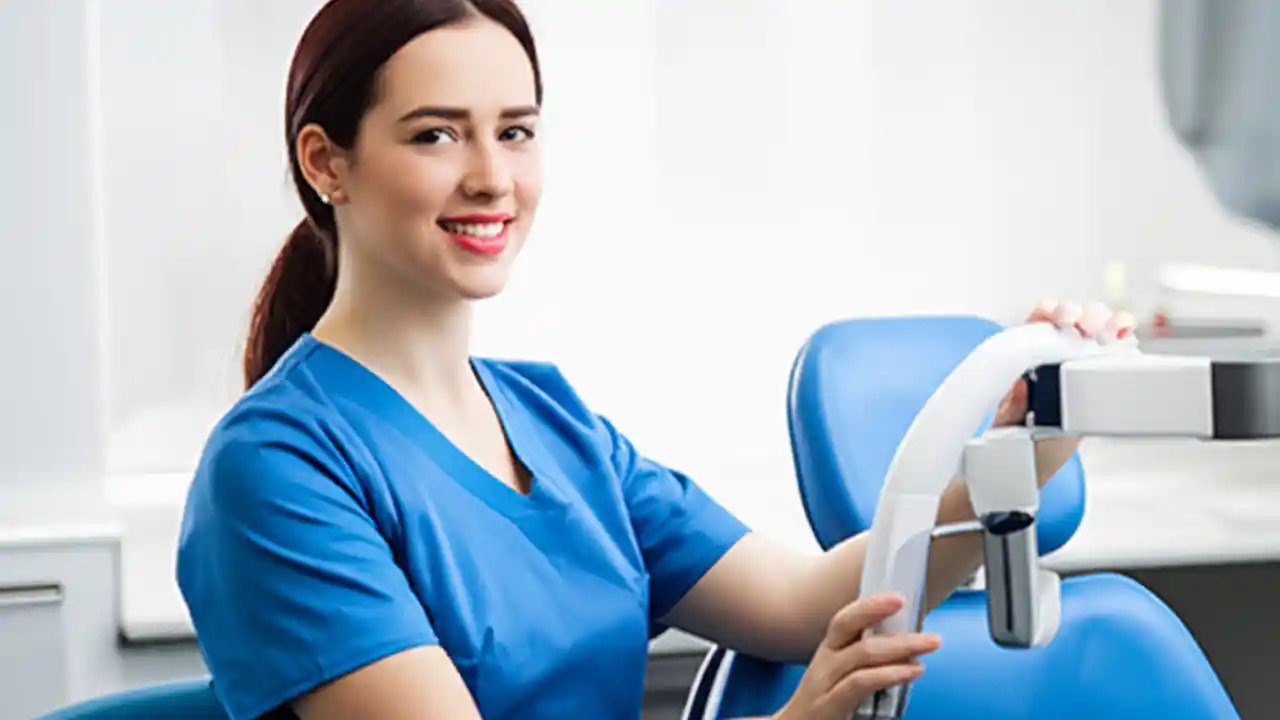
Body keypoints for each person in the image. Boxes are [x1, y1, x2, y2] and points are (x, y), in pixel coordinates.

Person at [174, 1, 1135, 718]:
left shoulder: (550, 421)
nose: (491, 177)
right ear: (325, 161)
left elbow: (802, 604)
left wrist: (1025, 449)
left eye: (515, 130)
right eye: (436, 134)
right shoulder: (276, 470)